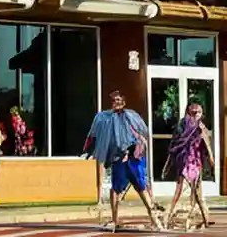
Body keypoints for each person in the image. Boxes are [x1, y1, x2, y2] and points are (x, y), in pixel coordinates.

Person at [81, 90, 164, 231]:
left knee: (141, 187)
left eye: (119, 100)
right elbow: (95, 134)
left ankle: (154, 218)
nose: (116, 103)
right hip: (118, 158)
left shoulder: (132, 116)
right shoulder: (105, 118)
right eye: (114, 100)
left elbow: (143, 132)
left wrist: (138, 147)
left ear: (124, 102)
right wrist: (90, 146)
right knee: (115, 189)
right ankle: (115, 219)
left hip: (133, 157)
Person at [163, 101, 215, 229]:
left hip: (192, 163)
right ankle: (168, 217)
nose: (198, 115)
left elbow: (205, 146)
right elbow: (175, 146)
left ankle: (205, 219)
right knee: (186, 192)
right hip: (189, 163)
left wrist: (210, 161)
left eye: (199, 112)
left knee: (194, 193)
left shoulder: (192, 127)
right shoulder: (190, 127)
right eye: (196, 112)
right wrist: (211, 160)